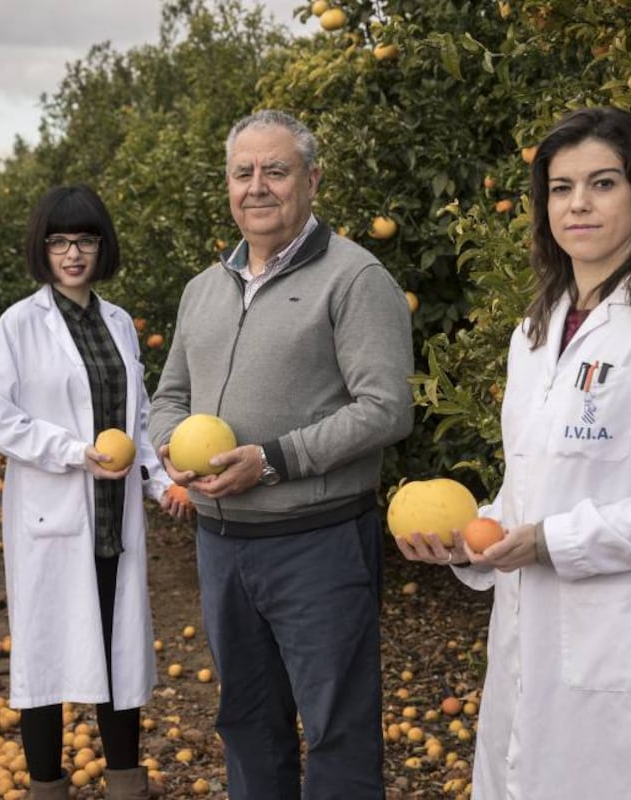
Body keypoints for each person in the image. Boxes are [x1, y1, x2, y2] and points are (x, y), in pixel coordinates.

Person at [396, 106, 631, 800]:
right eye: (561, 188)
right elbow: (532, 483)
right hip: (530, 638)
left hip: (623, 640)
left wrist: (552, 541)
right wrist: (475, 540)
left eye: (603, 183)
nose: (578, 203)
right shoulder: (534, 334)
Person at [149, 110, 415, 799]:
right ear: (228, 185)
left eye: (276, 170)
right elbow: (168, 398)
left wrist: (272, 459)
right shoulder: (204, 289)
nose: (257, 187)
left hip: (318, 544)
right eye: (244, 172)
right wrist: (170, 448)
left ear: (312, 179)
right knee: (246, 721)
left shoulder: (355, 279)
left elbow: (385, 407)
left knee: (336, 729)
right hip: (221, 544)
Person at [0, 184, 190, 800]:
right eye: (60, 242)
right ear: (42, 249)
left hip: (111, 520)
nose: (73, 254)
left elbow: (139, 418)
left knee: (119, 660)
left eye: (86, 241)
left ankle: (125, 785)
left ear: (103, 247)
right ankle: (47, 787)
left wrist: (160, 482)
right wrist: (74, 453)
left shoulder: (117, 321)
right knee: (44, 663)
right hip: (52, 519)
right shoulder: (19, 324)